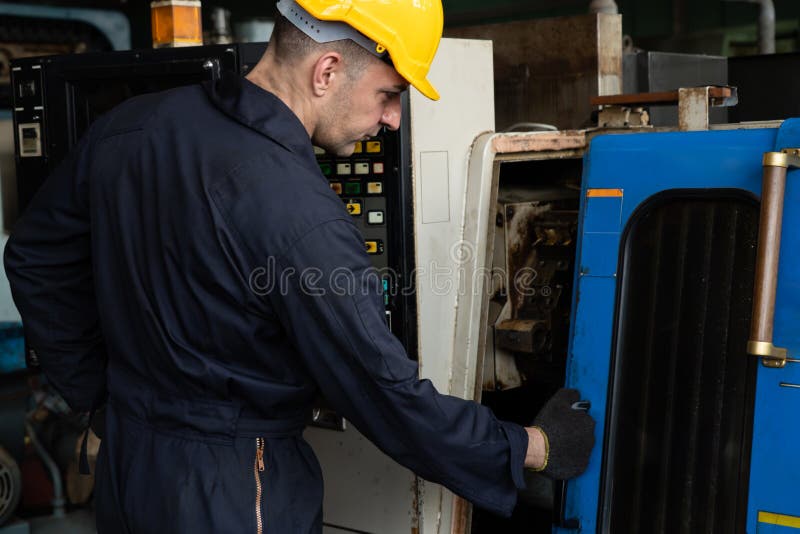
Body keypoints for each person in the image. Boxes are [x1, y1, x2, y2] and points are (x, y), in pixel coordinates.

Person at [4, 0, 595, 532]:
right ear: (328, 71)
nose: (392, 119)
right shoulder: (300, 217)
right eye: (389, 95)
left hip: (130, 469)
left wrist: (98, 397)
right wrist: (532, 446)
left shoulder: (130, 129)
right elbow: (385, 395)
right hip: (237, 486)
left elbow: (34, 258)